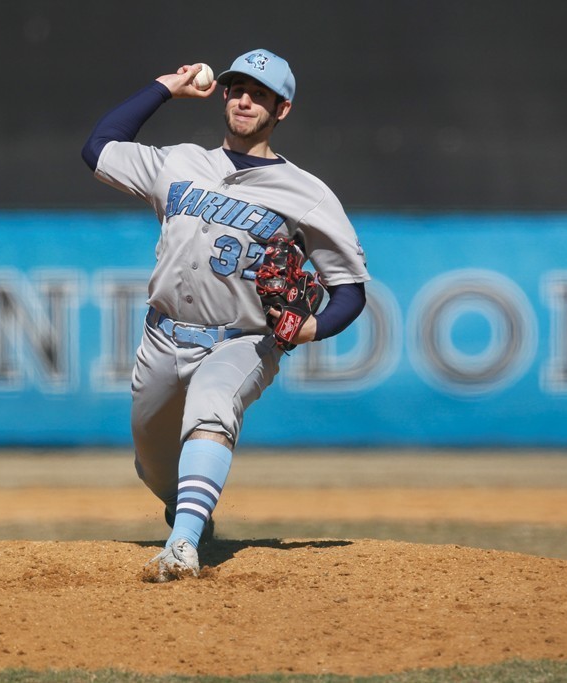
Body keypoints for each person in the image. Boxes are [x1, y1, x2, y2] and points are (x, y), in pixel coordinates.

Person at [81, 49, 370, 581]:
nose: (244, 100)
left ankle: (183, 545)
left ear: (281, 110)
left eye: (260, 94)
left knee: (213, 410)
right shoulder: (180, 163)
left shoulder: (307, 194)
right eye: (238, 89)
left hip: (243, 341)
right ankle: (186, 508)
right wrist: (164, 87)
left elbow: (349, 290)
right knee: (151, 463)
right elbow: (98, 148)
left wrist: (313, 326)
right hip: (163, 337)